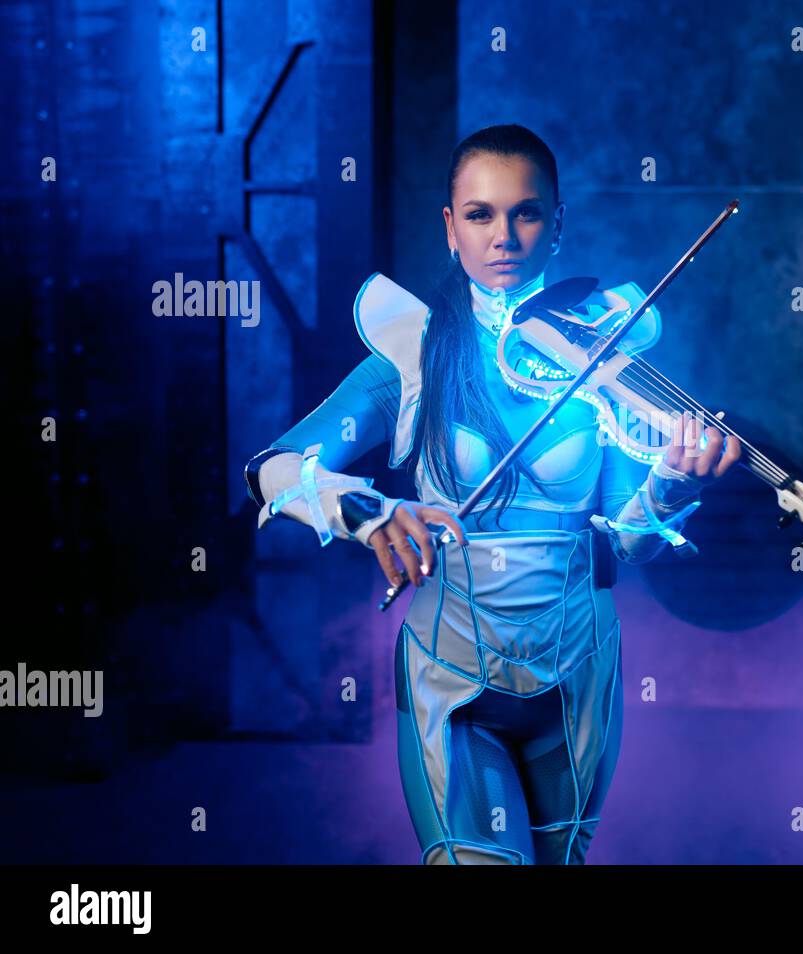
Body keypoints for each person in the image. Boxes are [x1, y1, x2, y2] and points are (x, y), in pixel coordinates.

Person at [242, 124, 741, 864]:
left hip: (580, 671)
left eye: (526, 213)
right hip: (452, 676)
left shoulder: (604, 352)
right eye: (479, 214)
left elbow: (629, 541)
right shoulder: (414, 350)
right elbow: (272, 467)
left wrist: (669, 481)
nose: (503, 236)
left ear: (558, 224)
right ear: (450, 228)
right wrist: (370, 511)